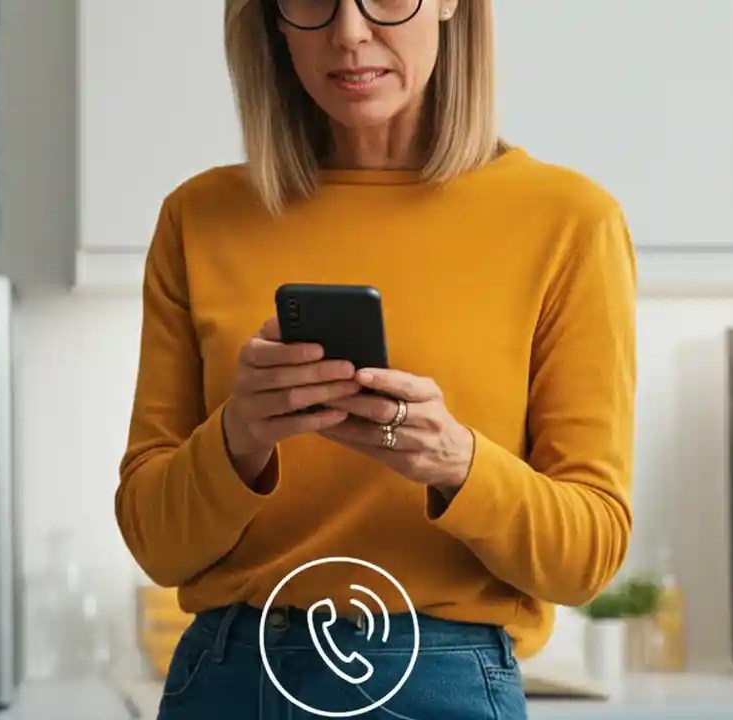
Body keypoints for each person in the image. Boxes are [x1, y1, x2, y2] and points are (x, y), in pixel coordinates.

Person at [115, 0, 637, 717]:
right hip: (226, 677)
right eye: (310, 1)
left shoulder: (569, 222)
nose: (349, 34)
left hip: (440, 681)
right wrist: (241, 436)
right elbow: (155, 545)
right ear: (270, 19)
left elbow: (587, 557)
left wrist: (455, 461)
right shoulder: (198, 216)